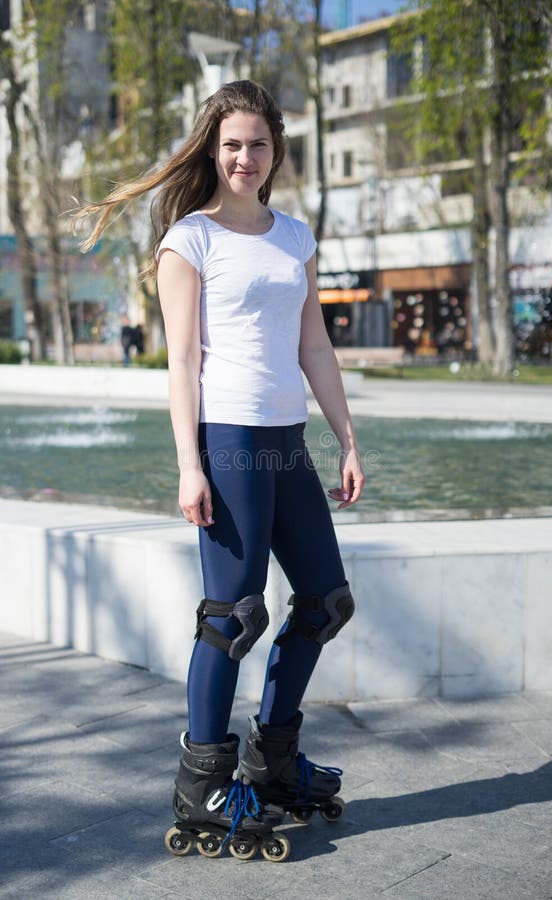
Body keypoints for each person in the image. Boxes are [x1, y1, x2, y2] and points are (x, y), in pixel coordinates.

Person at [76, 80, 365, 862]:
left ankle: (271, 762)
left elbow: (314, 347)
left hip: (285, 440)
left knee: (325, 601)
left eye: (259, 144)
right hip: (229, 441)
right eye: (232, 143)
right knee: (232, 616)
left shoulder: (295, 238)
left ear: (277, 152)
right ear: (213, 148)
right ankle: (202, 783)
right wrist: (187, 466)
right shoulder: (188, 240)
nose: (245, 157)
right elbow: (180, 366)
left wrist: (345, 436)